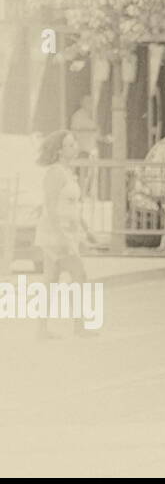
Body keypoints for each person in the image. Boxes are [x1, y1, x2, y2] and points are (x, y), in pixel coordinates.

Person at [33, 130, 93, 339]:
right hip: (56, 233)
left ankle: (42, 329)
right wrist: (62, 237)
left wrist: (85, 229)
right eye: (69, 145)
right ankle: (79, 325)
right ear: (59, 152)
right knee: (79, 275)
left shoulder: (68, 172)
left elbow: (72, 206)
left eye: (74, 144)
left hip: (68, 232)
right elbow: (50, 207)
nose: (74, 147)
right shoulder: (55, 173)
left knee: (51, 279)